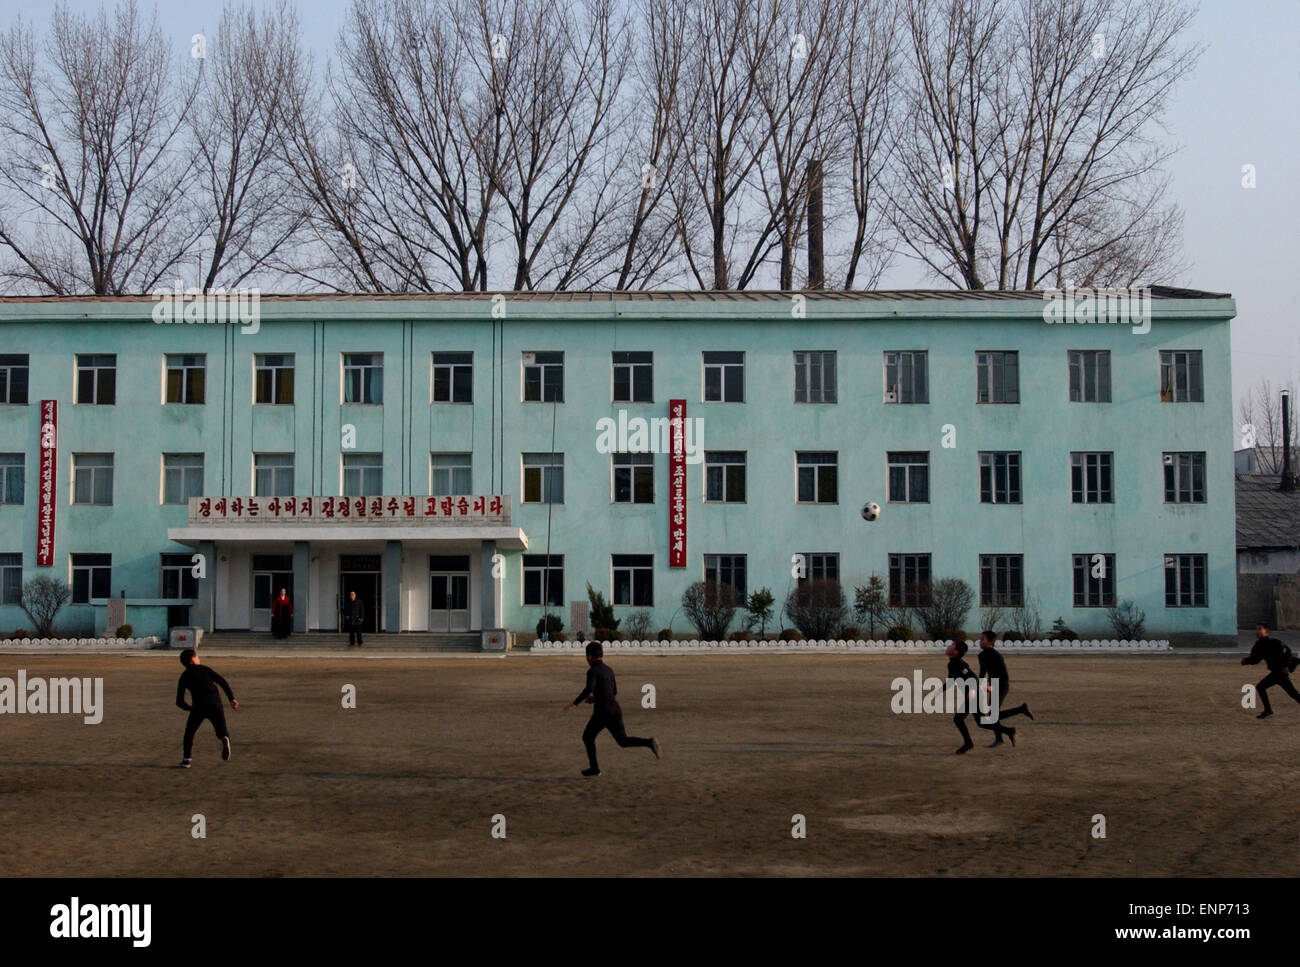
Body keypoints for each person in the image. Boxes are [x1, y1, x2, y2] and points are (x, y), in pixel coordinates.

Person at [563, 641, 661, 776]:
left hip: (602, 711)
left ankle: (595, 768)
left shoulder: (592, 671)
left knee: (587, 737)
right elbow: (613, 692)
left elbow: (589, 688)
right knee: (623, 741)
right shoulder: (609, 670)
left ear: (589, 657)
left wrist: (575, 703)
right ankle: (649, 742)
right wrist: (595, 699)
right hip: (614, 708)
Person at [175, 649, 237, 768]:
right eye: (197, 656)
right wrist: (231, 698)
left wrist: (190, 708)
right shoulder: (204, 669)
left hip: (199, 705)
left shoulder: (184, 676)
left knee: (190, 732)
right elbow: (221, 681)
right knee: (221, 728)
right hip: (215, 702)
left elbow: (179, 701)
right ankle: (224, 738)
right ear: (193, 659)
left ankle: (186, 759)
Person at [977, 630, 1033, 747]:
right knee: (993, 714)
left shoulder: (996, 656)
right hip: (993, 684)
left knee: (993, 715)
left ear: (990, 642)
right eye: (980, 639)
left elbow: (1001, 673)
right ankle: (1002, 736)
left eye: (983, 639)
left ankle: (1017, 716)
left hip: (1001, 684)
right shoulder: (981, 655)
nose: (980, 641)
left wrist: (988, 685)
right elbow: (982, 673)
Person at [1242, 619, 1300, 718]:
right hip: (1278, 672)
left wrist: (1285, 665)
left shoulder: (1274, 642)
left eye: (1260, 629)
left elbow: (1287, 651)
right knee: (1293, 694)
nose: (1257, 631)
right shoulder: (1259, 645)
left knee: (1261, 687)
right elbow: (1255, 659)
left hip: (1279, 672)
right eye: (1256, 629)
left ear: (1266, 632)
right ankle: (1268, 710)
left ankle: (1268, 710)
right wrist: (1247, 661)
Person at [945, 638, 980, 754]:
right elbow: (950, 681)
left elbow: (973, 677)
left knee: (958, 718)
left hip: (973, 694)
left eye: (952, 645)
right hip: (972, 695)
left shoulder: (959, 664)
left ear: (956, 652)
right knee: (983, 722)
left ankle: (968, 743)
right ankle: (1008, 730)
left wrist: (972, 692)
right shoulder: (952, 663)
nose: (949, 646)